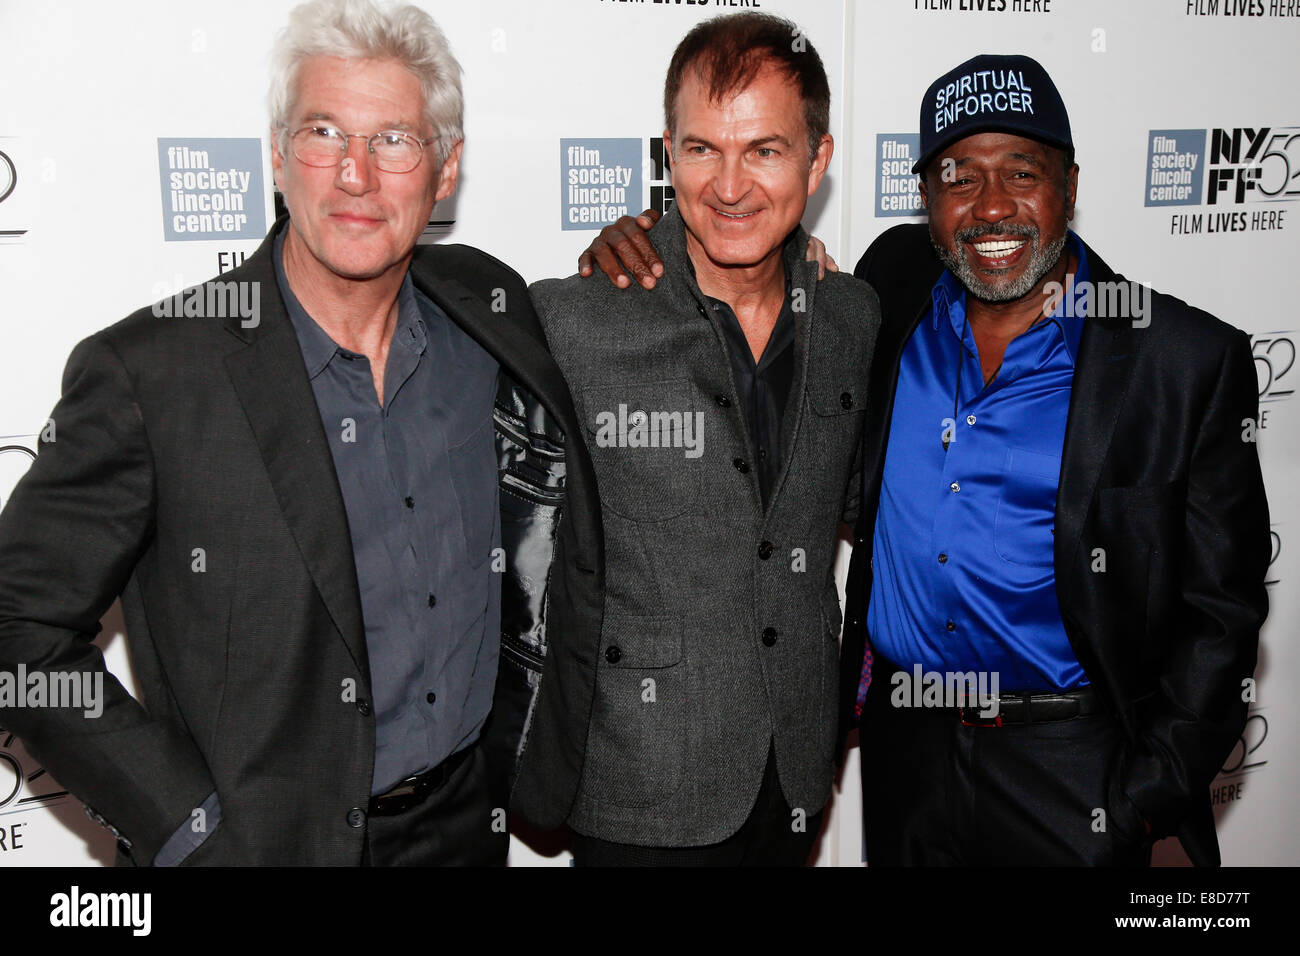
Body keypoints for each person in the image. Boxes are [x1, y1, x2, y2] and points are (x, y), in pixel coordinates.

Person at [579, 53, 1268, 866]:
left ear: (1070, 186)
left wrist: (1148, 800)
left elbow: (1222, 616)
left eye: (1022, 171)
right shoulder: (889, 290)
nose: (992, 206)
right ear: (927, 200)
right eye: (958, 177)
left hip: (1078, 765)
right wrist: (640, 239)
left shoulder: (1180, 360)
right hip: (907, 760)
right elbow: (744, 236)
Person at [0, 0, 602, 866]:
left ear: (445, 169)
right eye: (324, 133)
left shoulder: (487, 315)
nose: (356, 175)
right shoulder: (153, 374)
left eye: (394, 139)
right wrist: (185, 827)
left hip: (467, 827)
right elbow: (18, 622)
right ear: (279, 156)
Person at [520, 12, 880, 866]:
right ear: (667, 156)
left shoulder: (850, 316)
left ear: (817, 160)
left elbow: (851, 508)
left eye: (764, 150)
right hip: (638, 786)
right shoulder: (575, 320)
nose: (730, 185)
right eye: (702, 149)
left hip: (795, 770)